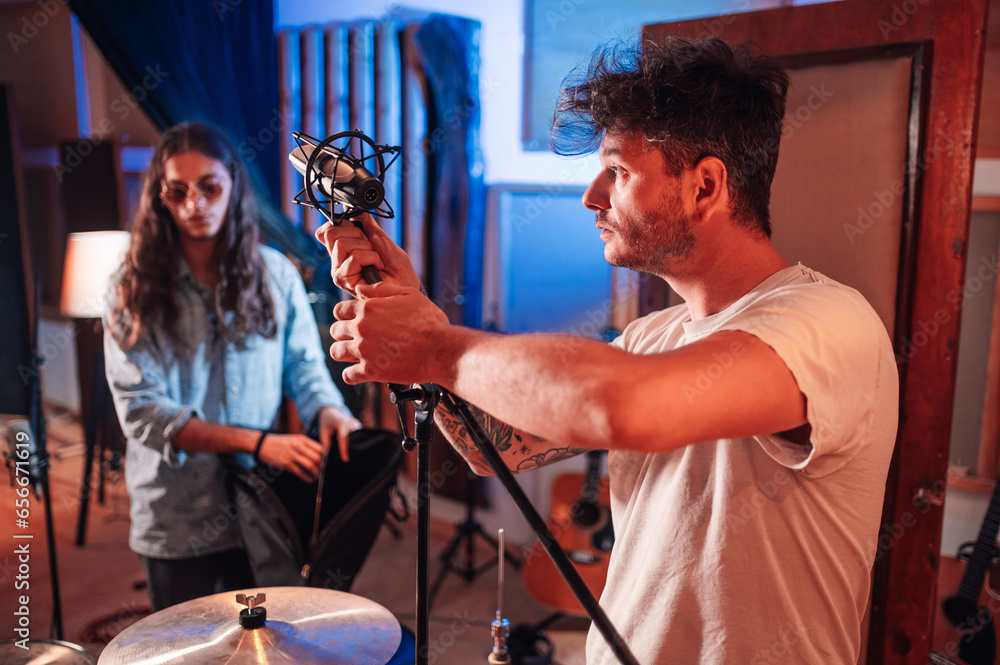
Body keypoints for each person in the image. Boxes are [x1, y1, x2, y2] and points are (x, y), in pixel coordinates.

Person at [318, 36, 898, 664]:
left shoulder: (831, 323)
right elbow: (494, 444)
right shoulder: (653, 337)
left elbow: (624, 405)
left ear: (705, 187)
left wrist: (434, 346)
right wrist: (413, 307)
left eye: (618, 172)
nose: (593, 197)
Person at [104, 121, 361, 611]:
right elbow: (143, 413)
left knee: (266, 645)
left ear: (233, 189)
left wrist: (328, 410)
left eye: (209, 187)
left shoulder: (275, 274)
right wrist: (259, 443)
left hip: (264, 508)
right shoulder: (129, 289)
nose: (194, 205)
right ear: (160, 196)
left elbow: (305, 367)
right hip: (176, 514)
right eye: (177, 191)